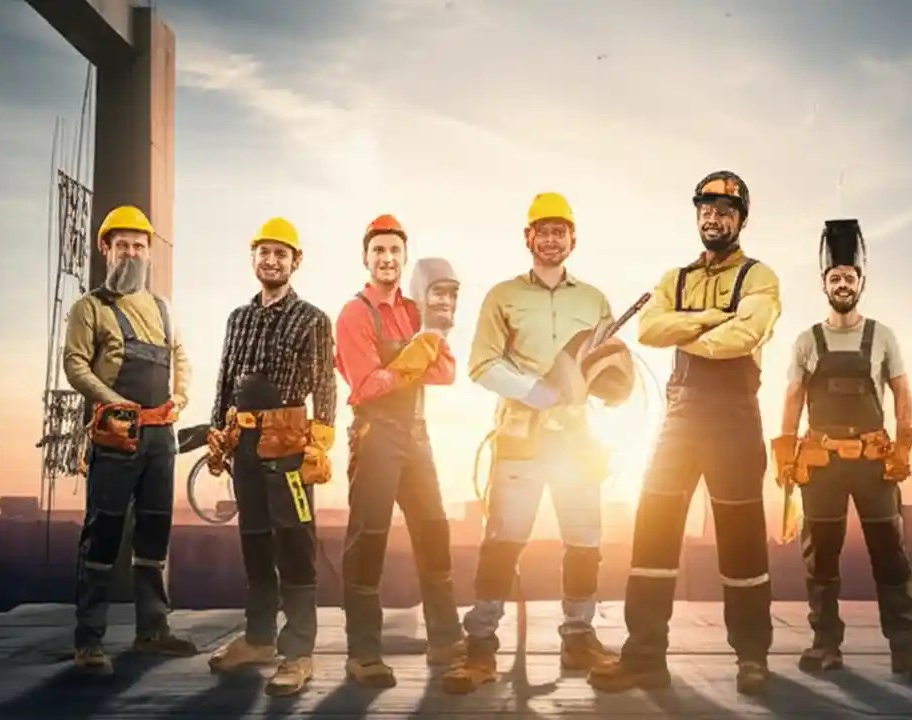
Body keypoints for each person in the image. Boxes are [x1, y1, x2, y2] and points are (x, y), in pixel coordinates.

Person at [588, 171, 780, 696]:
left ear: (740, 219)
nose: (713, 218)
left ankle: (752, 656)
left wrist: (689, 324)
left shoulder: (761, 278)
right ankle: (644, 655)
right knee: (653, 532)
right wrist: (716, 316)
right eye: (706, 209)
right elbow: (650, 329)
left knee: (742, 543)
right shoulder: (673, 277)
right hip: (681, 416)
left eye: (724, 210)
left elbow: (744, 337)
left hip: (735, 418)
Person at [441, 192, 635, 694]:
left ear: (573, 239)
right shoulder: (501, 297)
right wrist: (538, 392)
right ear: (527, 238)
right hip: (520, 440)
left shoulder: (594, 300)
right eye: (541, 230)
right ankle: (480, 645)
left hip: (576, 442)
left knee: (584, 542)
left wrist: (613, 388)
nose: (551, 239)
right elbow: (482, 364)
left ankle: (578, 636)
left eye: (559, 230)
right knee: (503, 541)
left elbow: (603, 362)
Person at [772, 219, 912, 679]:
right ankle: (825, 645)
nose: (843, 284)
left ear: (862, 282)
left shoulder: (882, 336)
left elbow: (902, 392)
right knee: (821, 556)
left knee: (891, 552)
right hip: (820, 465)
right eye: (835, 278)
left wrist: (903, 444)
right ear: (824, 284)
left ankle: (907, 650)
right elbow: (792, 397)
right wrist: (786, 456)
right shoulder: (807, 340)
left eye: (850, 277)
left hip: (873, 463)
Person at [204, 217, 338, 696]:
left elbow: (324, 384)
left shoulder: (313, 320)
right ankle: (259, 638)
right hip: (243, 445)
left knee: (295, 541)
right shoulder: (238, 318)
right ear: (254, 257)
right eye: (265, 252)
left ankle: (298, 652)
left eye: (282, 253)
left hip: (287, 445)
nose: (272, 260)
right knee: (255, 539)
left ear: (295, 262)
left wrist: (319, 442)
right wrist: (218, 431)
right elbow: (225, 377)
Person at [63, 205, 197, 675]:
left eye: (140, 245)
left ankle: (152, 630)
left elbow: (180, 354)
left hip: (161, 437)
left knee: (155, 532)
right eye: (123, 244)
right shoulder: (90, 308)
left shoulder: (163, 309)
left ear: (149, 252)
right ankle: (89, 641)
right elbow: (75, 364)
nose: (132, 252)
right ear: (106, 249)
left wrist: (180, 396)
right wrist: (113, 403)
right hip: (116, 438)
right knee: (103, 534)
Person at [335, 215, 466, 687]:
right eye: (378, 251)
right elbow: (366, 386)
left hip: (416, 434)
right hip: (375, 436)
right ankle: (364, 653)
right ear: (366, 258)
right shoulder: (355, 314)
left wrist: (419, 347)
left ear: (404, 259)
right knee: (368, 540)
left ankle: (446, 641)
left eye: (394, 251)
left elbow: (446, 372)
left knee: (434, 532)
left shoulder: (415, 311)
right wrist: (417, 356)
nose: (387, 259)